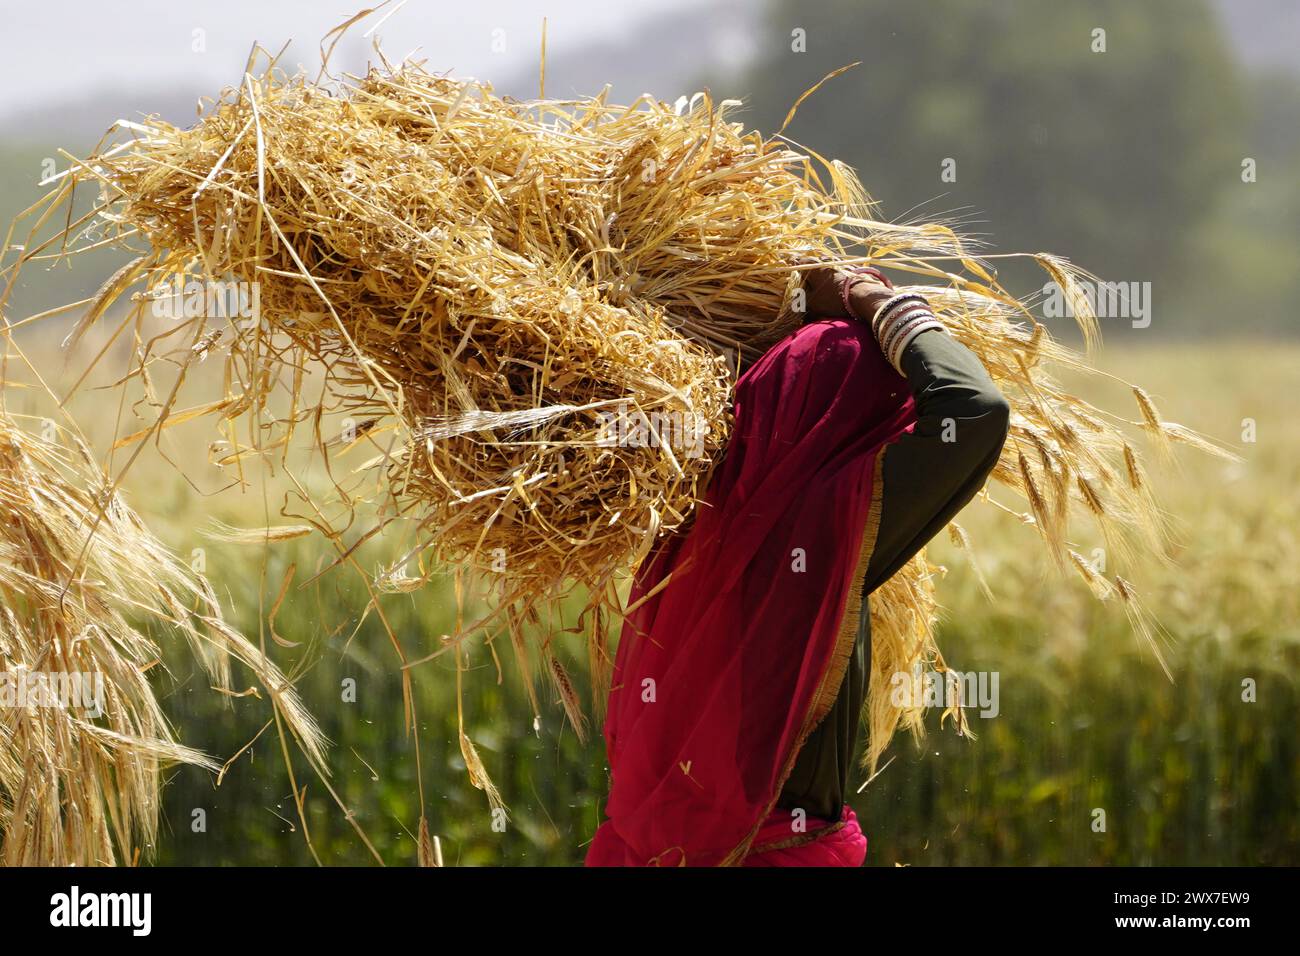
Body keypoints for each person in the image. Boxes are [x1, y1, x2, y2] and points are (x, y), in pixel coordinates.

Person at [585, 265, 1011, 866]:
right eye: (880, 417)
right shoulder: (826, 527)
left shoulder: (693, 524)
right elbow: (976, 411)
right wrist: (875, 301)